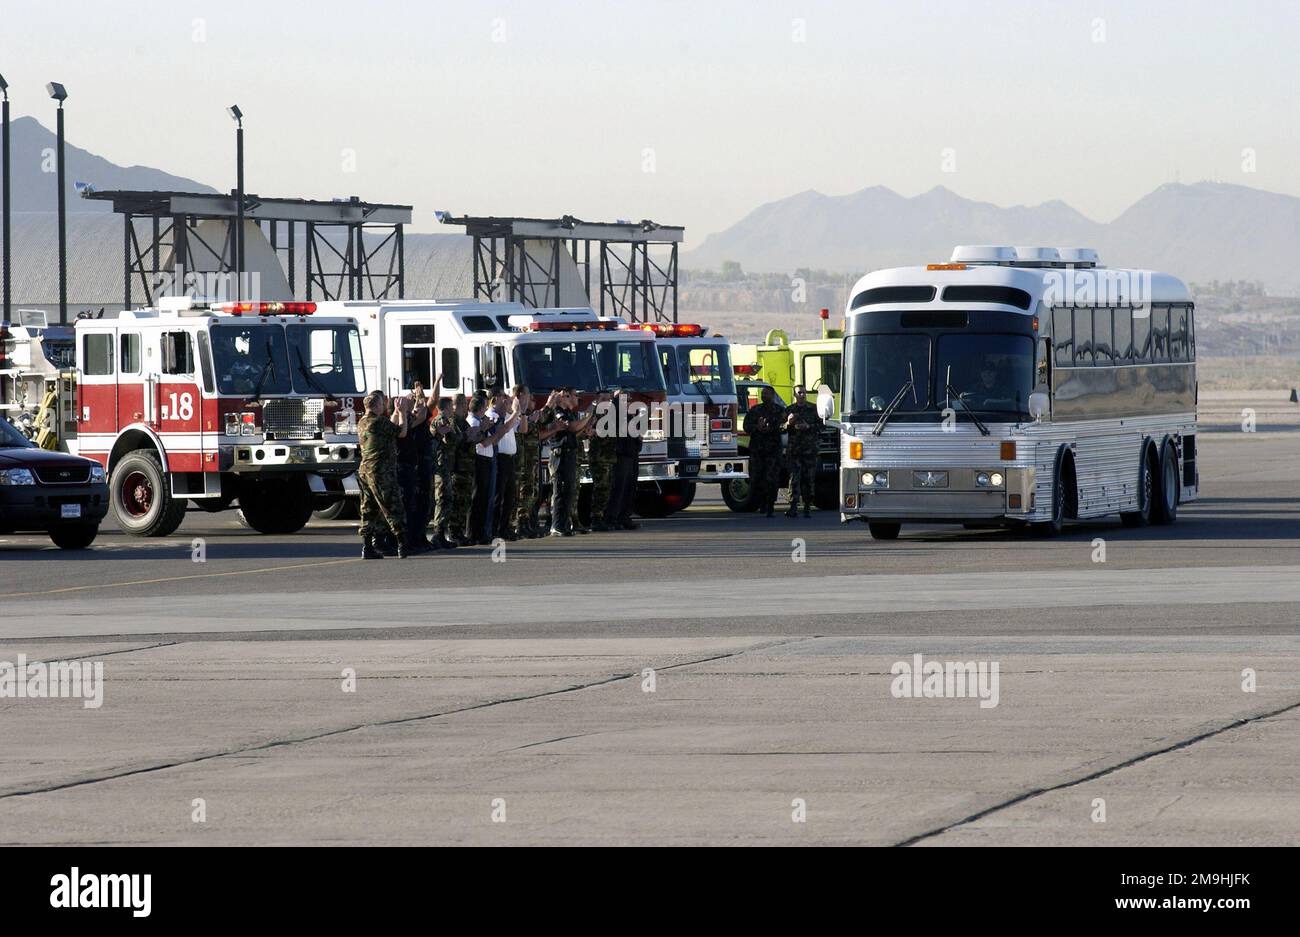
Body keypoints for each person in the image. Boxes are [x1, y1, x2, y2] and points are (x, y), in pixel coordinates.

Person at [357, 390, 408, 559]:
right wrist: (402, 414)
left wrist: (394, 413)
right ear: (377, 406)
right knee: (392, 505)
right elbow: (401, 432)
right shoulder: (378, 422)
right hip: (381, 471)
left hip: (365, 470)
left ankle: (367, 547)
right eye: (381, 403)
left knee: (368, 508)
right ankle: (402, 544)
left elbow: (388, 428)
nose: (383, 405)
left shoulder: (363, 422)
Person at [545, 388, 595, 537]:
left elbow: (573, 432)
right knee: (560, 490)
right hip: (560, 455)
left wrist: (585, 429)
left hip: (569, 454)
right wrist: (588, 416)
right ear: (563, 397)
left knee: (568, 491)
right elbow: (570, 427)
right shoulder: (558, 411)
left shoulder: (569, 413)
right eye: (573, 396)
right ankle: (556, 525)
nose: (576, 399)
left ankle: (564, 524)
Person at [743, 385, 785, 518]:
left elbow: (784, 427)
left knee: (772, 479)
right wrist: (757, 427)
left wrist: (771, 428)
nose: (764, 396)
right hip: (757, 451)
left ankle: (770, 505)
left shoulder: (779, 411)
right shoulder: (755, 410)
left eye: (766, 394)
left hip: (773, 451)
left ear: (772, 396)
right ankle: (761, 503)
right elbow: (746, 427)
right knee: (757, 478)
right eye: (762, 394)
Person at [782, 384, 823, 518]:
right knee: (794, 478)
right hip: (794, 451)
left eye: (804, 392)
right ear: (795, 395)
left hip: (809, 450)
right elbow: (780, 428)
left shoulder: (813, 409)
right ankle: (793, 507)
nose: (802, 395)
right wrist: (788, 423)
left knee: (809, 478)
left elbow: (822, 426)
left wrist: (808, 426)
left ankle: (807, 507)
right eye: (799, 393)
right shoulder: (789, 410)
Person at [604, 392, 643, 530]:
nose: (628, 402)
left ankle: (624, 517)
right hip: (621, 454)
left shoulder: (628, 414)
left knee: (629, 488)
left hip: (631, 453)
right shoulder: (615, 413)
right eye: (624, 400)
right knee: (618, 488)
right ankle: (612, 518)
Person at [429, 395, 459, 549]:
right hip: (442, 466)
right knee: (443, 499)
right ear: (447, 407)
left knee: (446, 499)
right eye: (451, 406)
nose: (453, 409)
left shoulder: (443, 420)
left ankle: (441, 533)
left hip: (445, 465)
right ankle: (438, 534)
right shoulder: (442, 420)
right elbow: (450, 439)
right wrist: (452, 433)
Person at [491, 390, 520, 540]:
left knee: (509, 496)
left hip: (509, 459)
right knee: (499, 496)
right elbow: (504, 428)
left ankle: (504, 527)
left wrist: (518, 409)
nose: (507, 401)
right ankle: (495, 528)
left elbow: (522, 428)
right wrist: (516, 412)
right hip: (500, 458)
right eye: (504, 398)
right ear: (495, 399)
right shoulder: (492, 415)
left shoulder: (507, 416)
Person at [587, 392, 618, 531]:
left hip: (609, 457)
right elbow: (588, 430)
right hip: (599, 458)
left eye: (609, 399)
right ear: (597, 401)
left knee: (608, 488)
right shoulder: (594, 414)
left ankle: (603, 517)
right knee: (600, 488)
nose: (607, 402)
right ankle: (596, 518)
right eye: (603, 399)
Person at [448, 393, 477, 546]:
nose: (467, 408)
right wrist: (467, 436)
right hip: (458, 467)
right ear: (459, 405)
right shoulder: (453, 422)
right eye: (465, 405)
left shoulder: (463, 422)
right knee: (457, 500)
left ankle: (459, 531)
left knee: (464, 500)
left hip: (467, 467)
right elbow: (454, 442)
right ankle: (453, 532)